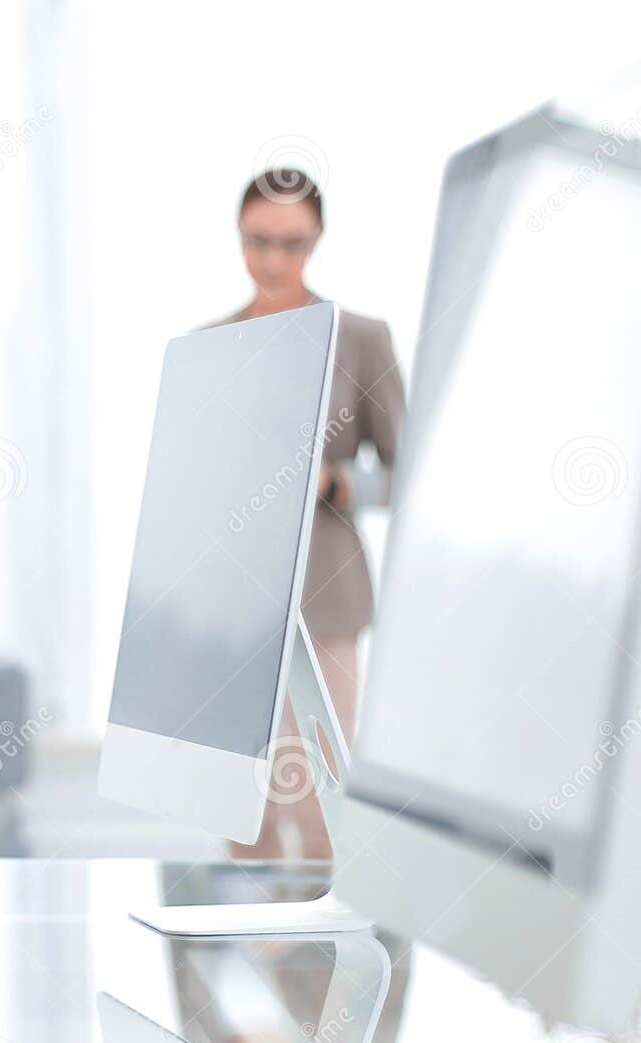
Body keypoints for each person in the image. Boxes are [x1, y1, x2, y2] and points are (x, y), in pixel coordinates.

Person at [217, 168, 404, 859]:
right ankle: (244, 956)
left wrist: (333, 481)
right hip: (236, 603)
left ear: (316, 239)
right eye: (258, 241)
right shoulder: (212, 345)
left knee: (322, 790)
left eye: (292, 244)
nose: (273, 260)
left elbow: (402, 475)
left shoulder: (360, 339)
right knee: (246, 807)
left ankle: (334, 959)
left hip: (327, 595)